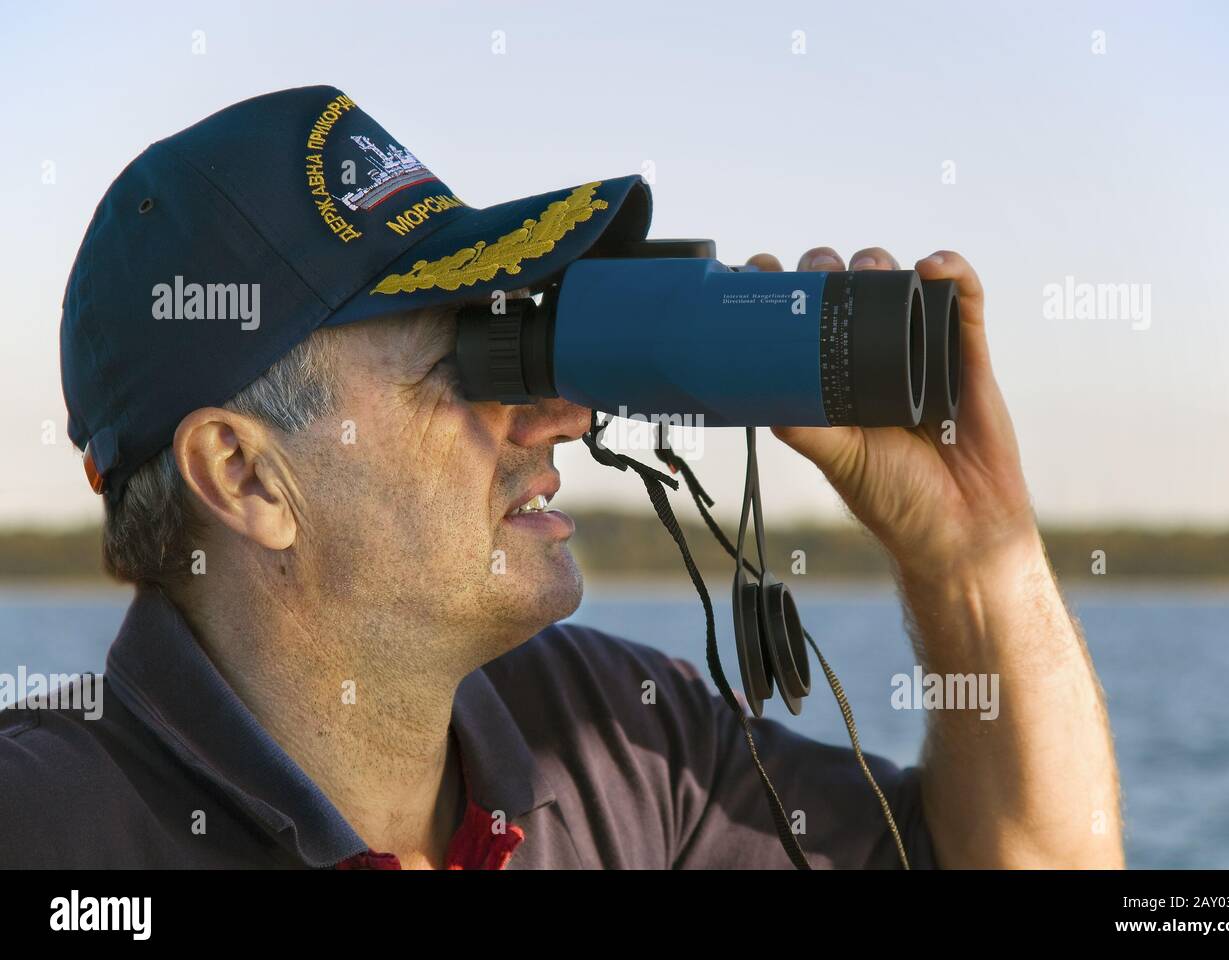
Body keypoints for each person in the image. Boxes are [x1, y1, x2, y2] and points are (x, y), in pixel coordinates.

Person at [0, 86, 1121, 869]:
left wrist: (973, 556)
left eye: (526, 338)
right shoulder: (48, 829)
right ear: (246, 477)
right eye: (473, 362)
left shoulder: (613, 743)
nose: (562, 415)